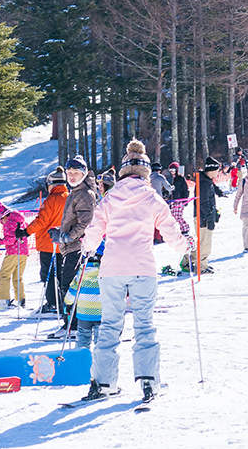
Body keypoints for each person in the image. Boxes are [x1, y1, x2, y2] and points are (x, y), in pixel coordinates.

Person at [80, 139, 192, 404]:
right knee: (144, 324)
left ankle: (104, 382)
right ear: (144, 173)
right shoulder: (151, 196)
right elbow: (169, 226)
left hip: (112, 269)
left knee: (109, 324)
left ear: (122, 171)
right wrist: (184, 247)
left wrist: (88, 248)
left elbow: (95, 227)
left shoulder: (110, 197)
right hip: (142, 267)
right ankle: (148, 382)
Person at [49, 156, 100, 336]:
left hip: (78, 247)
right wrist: (61, 230)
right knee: (68, 285)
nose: (71, 176)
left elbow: (85, 224)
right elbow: (75, 220)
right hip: (71, 246)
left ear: (84, 174)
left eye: (76, 173)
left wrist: (65, 236)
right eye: (69, 173)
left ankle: (74, 324)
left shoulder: (84, 194)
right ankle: (72, 323)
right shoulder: (76, 192)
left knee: (70, 286)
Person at [23, 167, 69, 313]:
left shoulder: (52, 199)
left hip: (48, 244)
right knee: (62, 274)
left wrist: (26, 231)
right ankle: (63, 302)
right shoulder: (70, 197)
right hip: (65, 243)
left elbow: (42, 220)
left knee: (48, 275)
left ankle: (52, 302)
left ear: (52, 184)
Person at [0, 202, 30, 309]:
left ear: (5, 215)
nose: (1, 222)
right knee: (18, 277)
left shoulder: (9, 223)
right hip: (23, 252)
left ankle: (4, 298)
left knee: (4, 274)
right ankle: (21, 299)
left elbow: (10, 240)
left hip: (13, 252)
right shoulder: (21, 221)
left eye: (1, 219)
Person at [192, 157, 224, 274]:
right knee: (205, 243)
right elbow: (203, 202)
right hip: (203, 217)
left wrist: (218, 191)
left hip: (202, 215)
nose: (217, 173)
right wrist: (210, 215)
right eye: (216, 170)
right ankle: (201, 266)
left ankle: (191, 262)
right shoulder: (204, 183)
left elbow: (211, 185)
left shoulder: (205, 179)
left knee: (201, 242)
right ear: (210, 170)